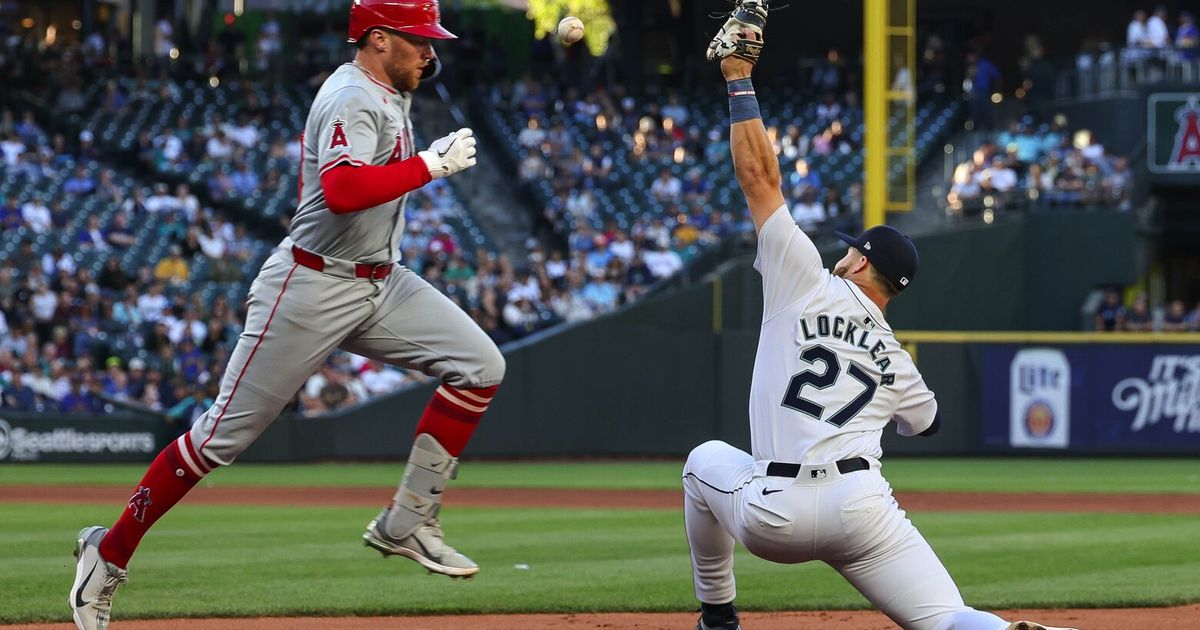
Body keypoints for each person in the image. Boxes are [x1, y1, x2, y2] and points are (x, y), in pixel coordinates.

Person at [69, 2, 506, 628]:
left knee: (480, 365)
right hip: (311, 284)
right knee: (219, 439)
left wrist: (422, 164)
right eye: (419, 40)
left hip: (379, 281)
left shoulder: (388, 86)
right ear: (379, 40)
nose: (431, 52)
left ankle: (407, 523)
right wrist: (430, 166)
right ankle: (105, 554)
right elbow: (343, 189)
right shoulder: (353, 96)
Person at [687, 8, 1077, 630]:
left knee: (701, 460)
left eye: (851, 247)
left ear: (858, 260)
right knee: (948, 617)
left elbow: (758, 177)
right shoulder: (898, 359)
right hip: (862, 507)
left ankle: (719, 619)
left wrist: (738, 74)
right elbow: (928, 422)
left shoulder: (803, 282)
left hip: (776, 511)